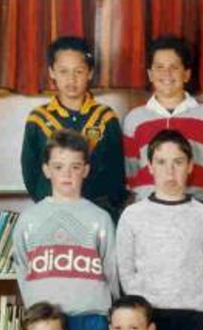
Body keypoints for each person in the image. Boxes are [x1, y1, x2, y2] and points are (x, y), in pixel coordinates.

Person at [11, 128, 119, 330]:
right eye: (59, 167)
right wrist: (36, 309)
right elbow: (22, 268)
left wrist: (105, 311)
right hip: (43, 324)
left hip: (90, 320)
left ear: (86, 170)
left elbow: (111, 271)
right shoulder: (29, 219)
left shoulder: (100, 218)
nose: (67, 174)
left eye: (75, 167)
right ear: (46, 170)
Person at [116, 130, 203, 330]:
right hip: (149, 319)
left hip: (194, 317)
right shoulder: (133, 215)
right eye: (161, 162)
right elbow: (125, 270)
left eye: (178, 162)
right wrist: (141, 308)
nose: (170, 172)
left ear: (190, 166)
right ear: (150, 167)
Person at [21, 36, 127, 219]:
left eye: (79, 71)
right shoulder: (38, 119)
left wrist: (108, 208)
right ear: (52, 72)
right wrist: (46, 201)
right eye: (63, 71)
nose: (71, 79)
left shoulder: (105, 117)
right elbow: (30, 172)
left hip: (98, 213)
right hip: (52, 213)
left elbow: (116, 170)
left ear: (90, 73)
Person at [123, 35, 203, 207]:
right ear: (150, 74)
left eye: (174, 67)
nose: (167, 74)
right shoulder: (134, 119)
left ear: (186, 74)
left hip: (197, 204)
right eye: (159, 67)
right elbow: (132, 172)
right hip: (148, 205)